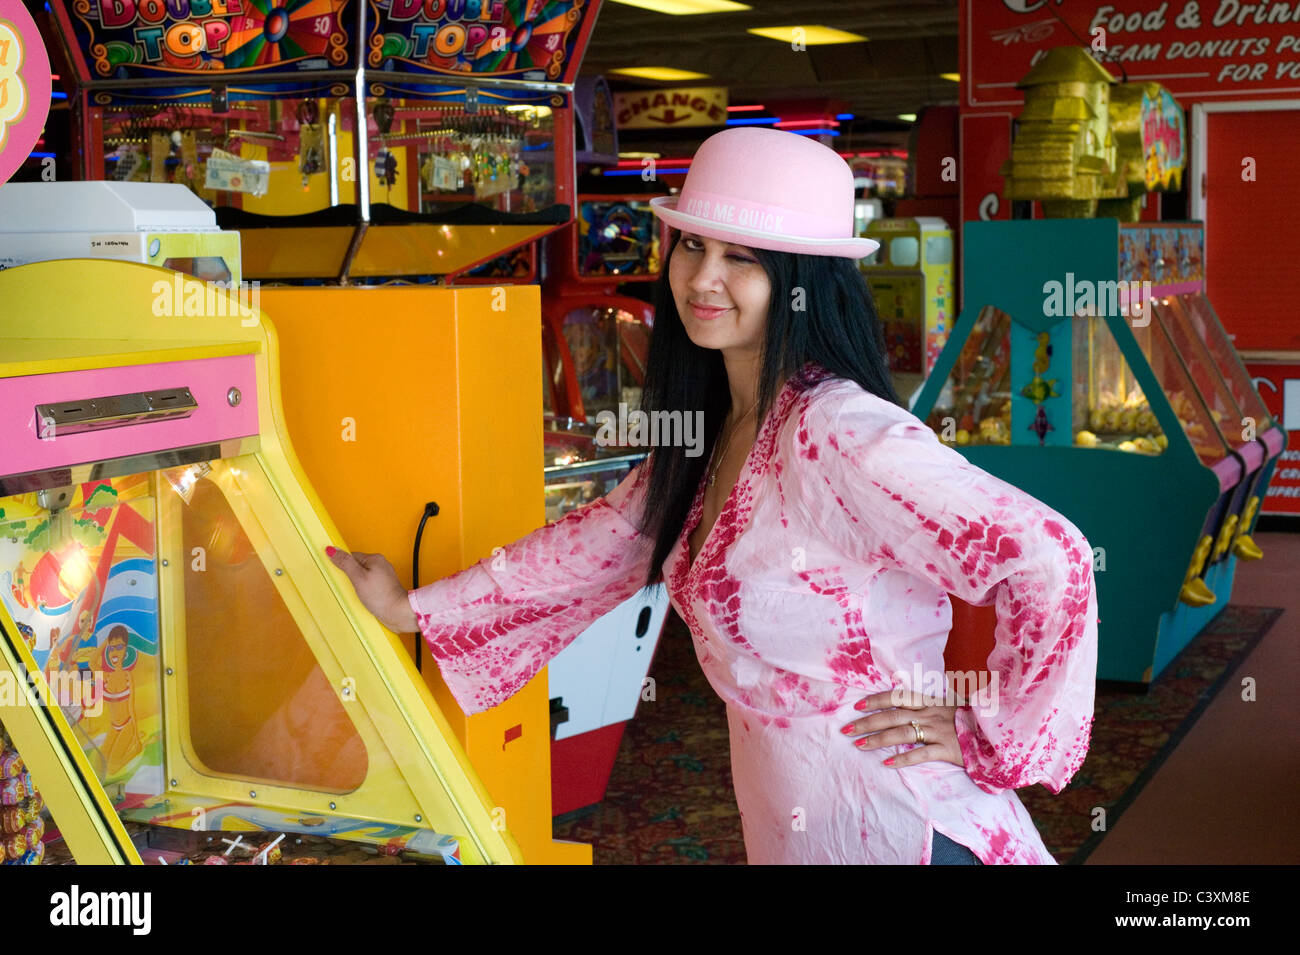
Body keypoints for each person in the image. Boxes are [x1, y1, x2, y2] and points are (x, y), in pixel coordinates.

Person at [327, 126, 1098, 865]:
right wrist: (414, 611)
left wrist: (986, 729)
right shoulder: (725, 426)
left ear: (801, 282)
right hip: (807, 830)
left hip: (908, 827)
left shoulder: (836, 432)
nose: (702, 278)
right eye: (692, 244)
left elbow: (1050, 556)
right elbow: (599, 544)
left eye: (742, 258)